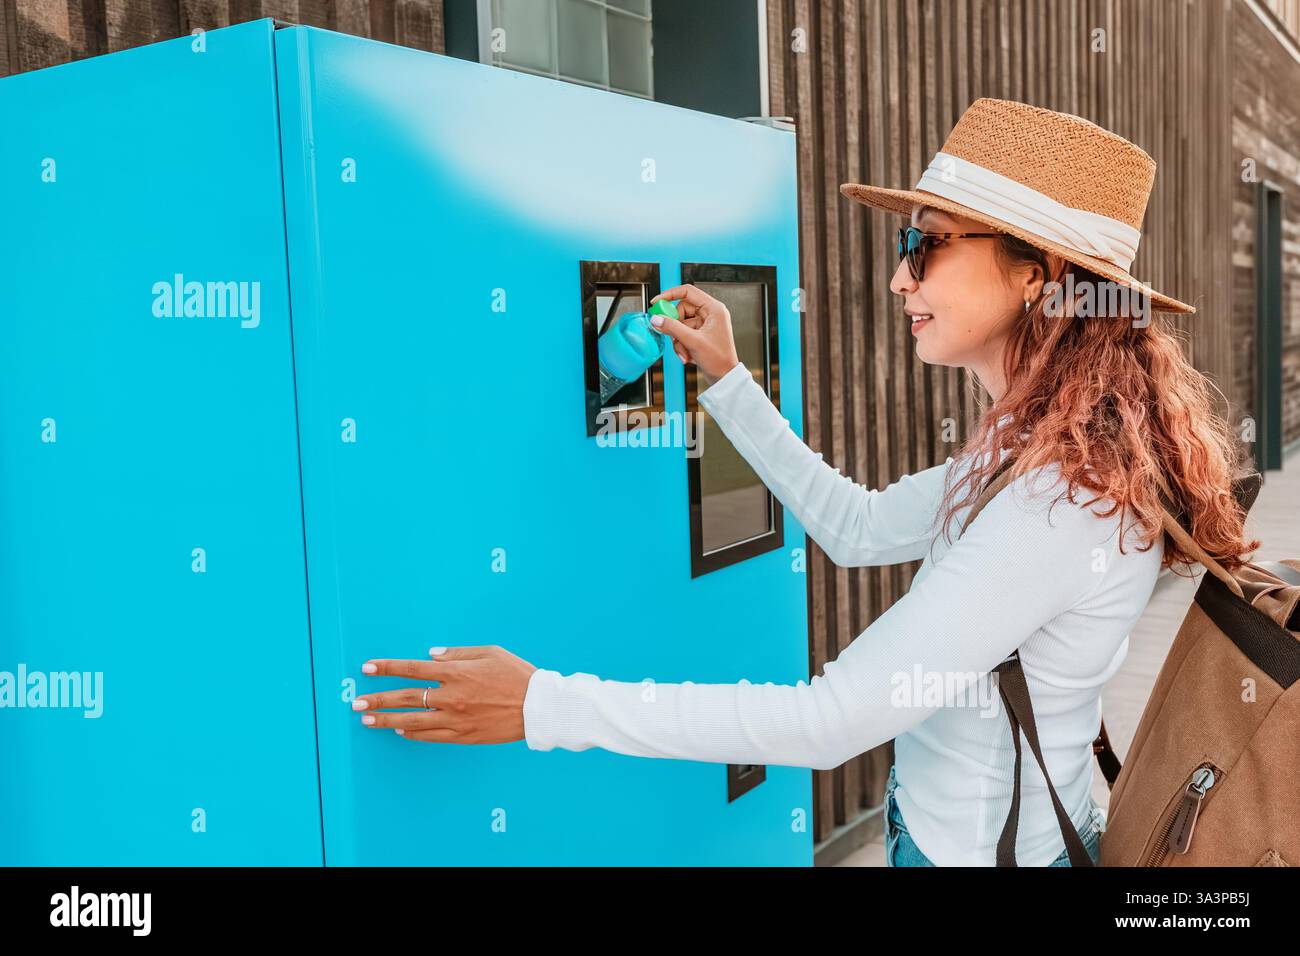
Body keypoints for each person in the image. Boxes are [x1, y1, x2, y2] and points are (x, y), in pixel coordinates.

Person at [349, 98, 1258, 866]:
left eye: (927, 244)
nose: (900, 276)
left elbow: (831, 722)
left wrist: (541, 704)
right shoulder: (1031, 448)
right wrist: (729, 381)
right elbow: (855, 526)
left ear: (1040, 275)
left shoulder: (1061, 501)